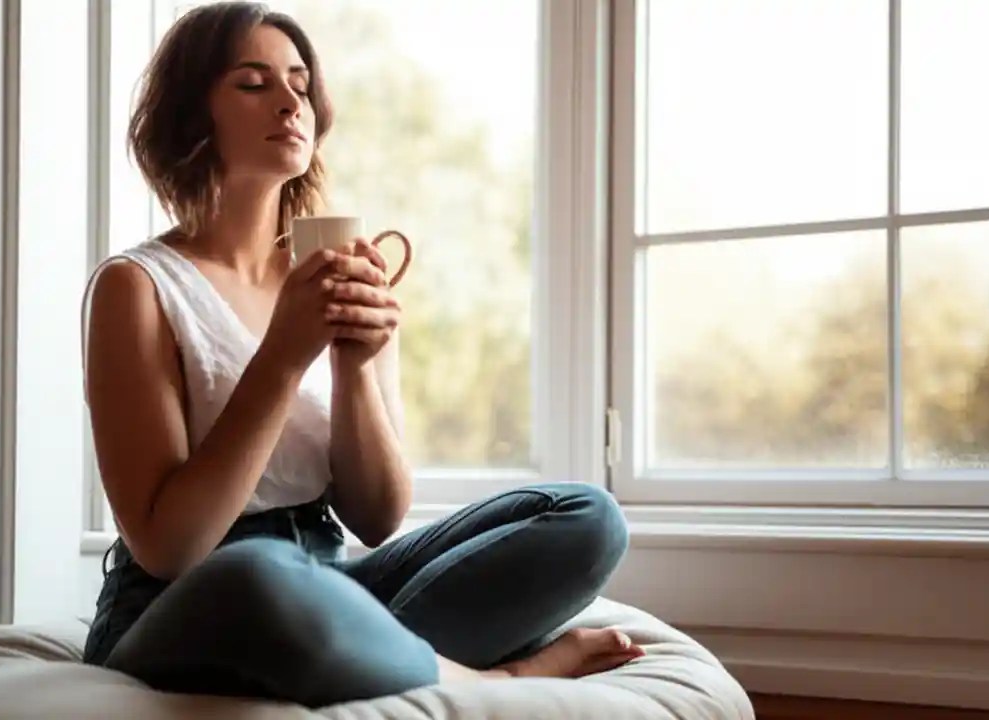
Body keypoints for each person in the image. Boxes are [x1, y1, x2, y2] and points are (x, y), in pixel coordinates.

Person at [80, 1, 642, 708]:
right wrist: (284, 357)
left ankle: (359, 649)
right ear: (193, 115)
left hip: (329, 579)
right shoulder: (135, 287)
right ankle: (496, 682)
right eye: (253, 84)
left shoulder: (331, 273)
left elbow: (375, 518)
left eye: (300, 82)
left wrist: (354, 361)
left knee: (586, 518)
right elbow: (169, 549)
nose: (291, 101)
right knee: (259, 574)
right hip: (190, 601)